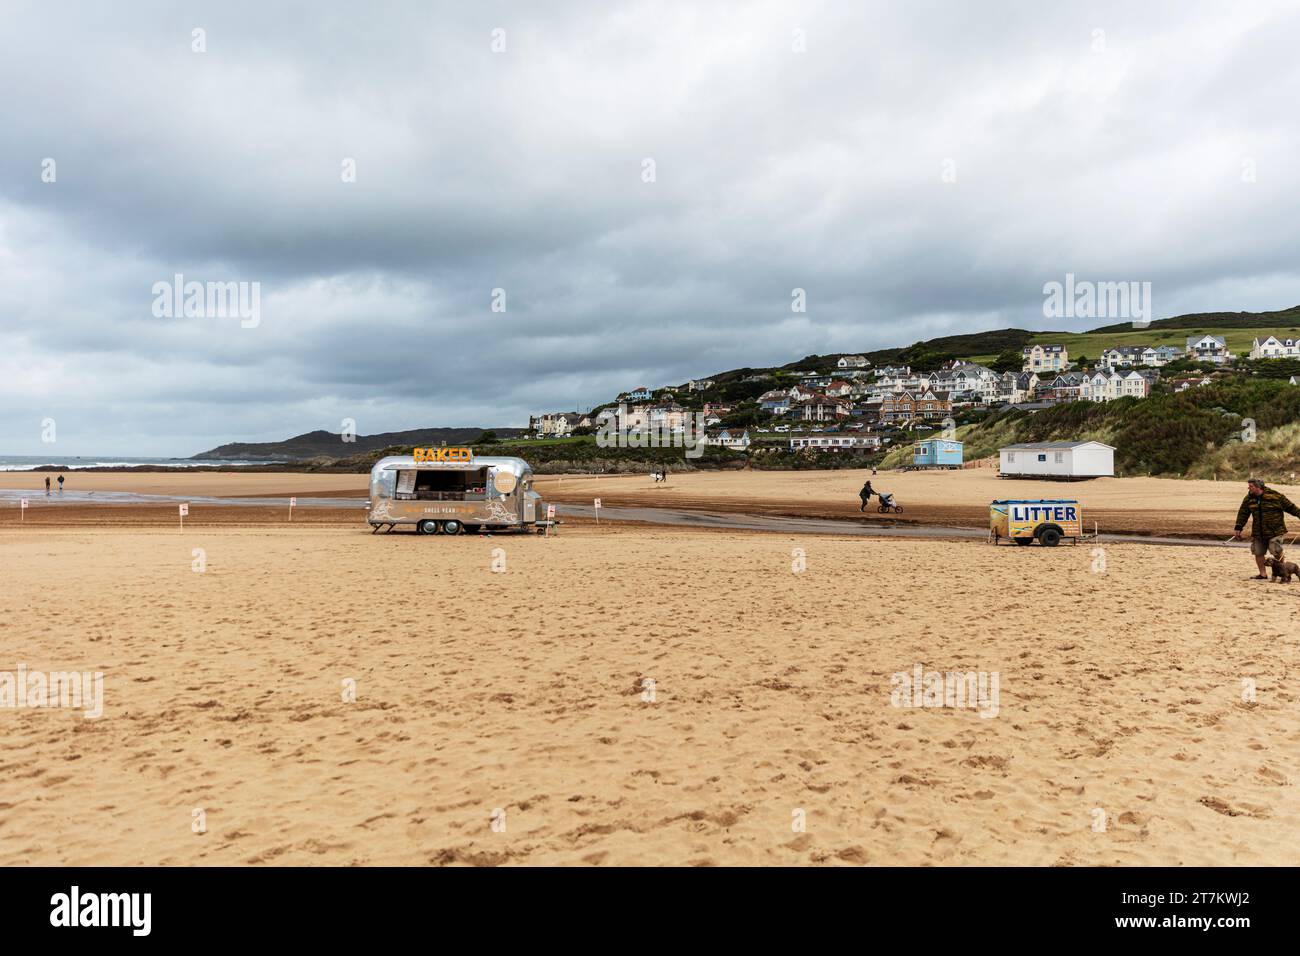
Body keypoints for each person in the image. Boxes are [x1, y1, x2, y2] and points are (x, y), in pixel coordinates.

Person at [1233, 477, 1300, 579]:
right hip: (1258, 531)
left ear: (1258, 487)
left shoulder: (1275, 496)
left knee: (1275, 550)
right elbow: (1243, 513)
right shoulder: (1249, 498)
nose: (1248, 488)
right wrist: (1238, 526)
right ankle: (1263, 574)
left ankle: (1283, 571)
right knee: (1258, 552)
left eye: (1251, 486)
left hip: (1275, 530)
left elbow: (1291, 507)